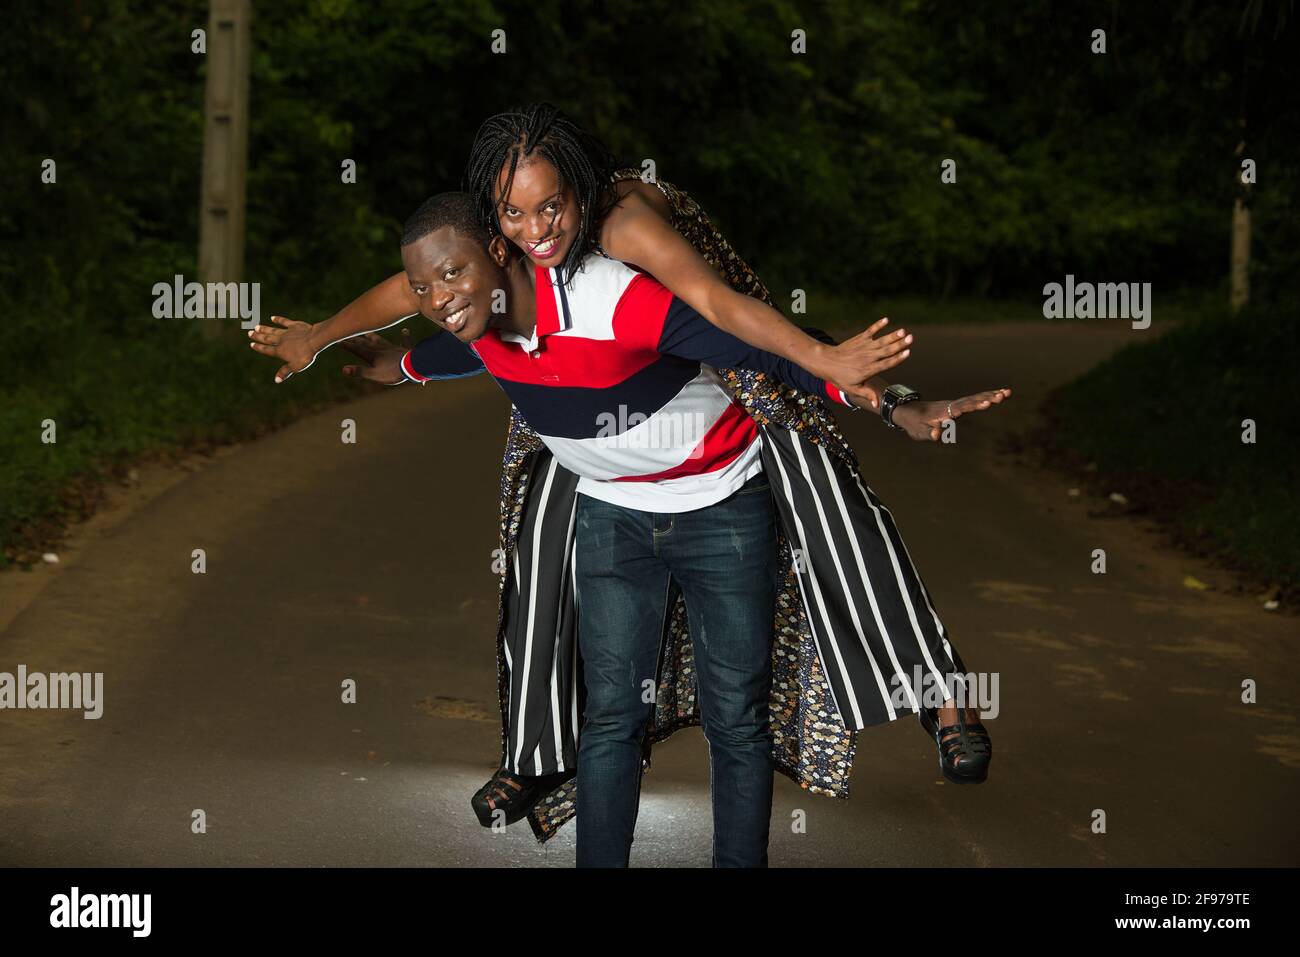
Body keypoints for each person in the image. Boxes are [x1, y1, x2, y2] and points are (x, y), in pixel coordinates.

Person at [253, 191, 1009, 865]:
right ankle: (542, 769)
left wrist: (892, 401)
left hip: (723, 508)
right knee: (611, 715)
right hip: (615, 517)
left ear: (498, 252)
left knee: (737, 718)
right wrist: (331, 340)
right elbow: (421, 302)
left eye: (453, 276)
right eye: (427, 288)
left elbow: (760, 347)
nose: (440, 297)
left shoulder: (615, 289)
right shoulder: (473, 315)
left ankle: (936, 696)